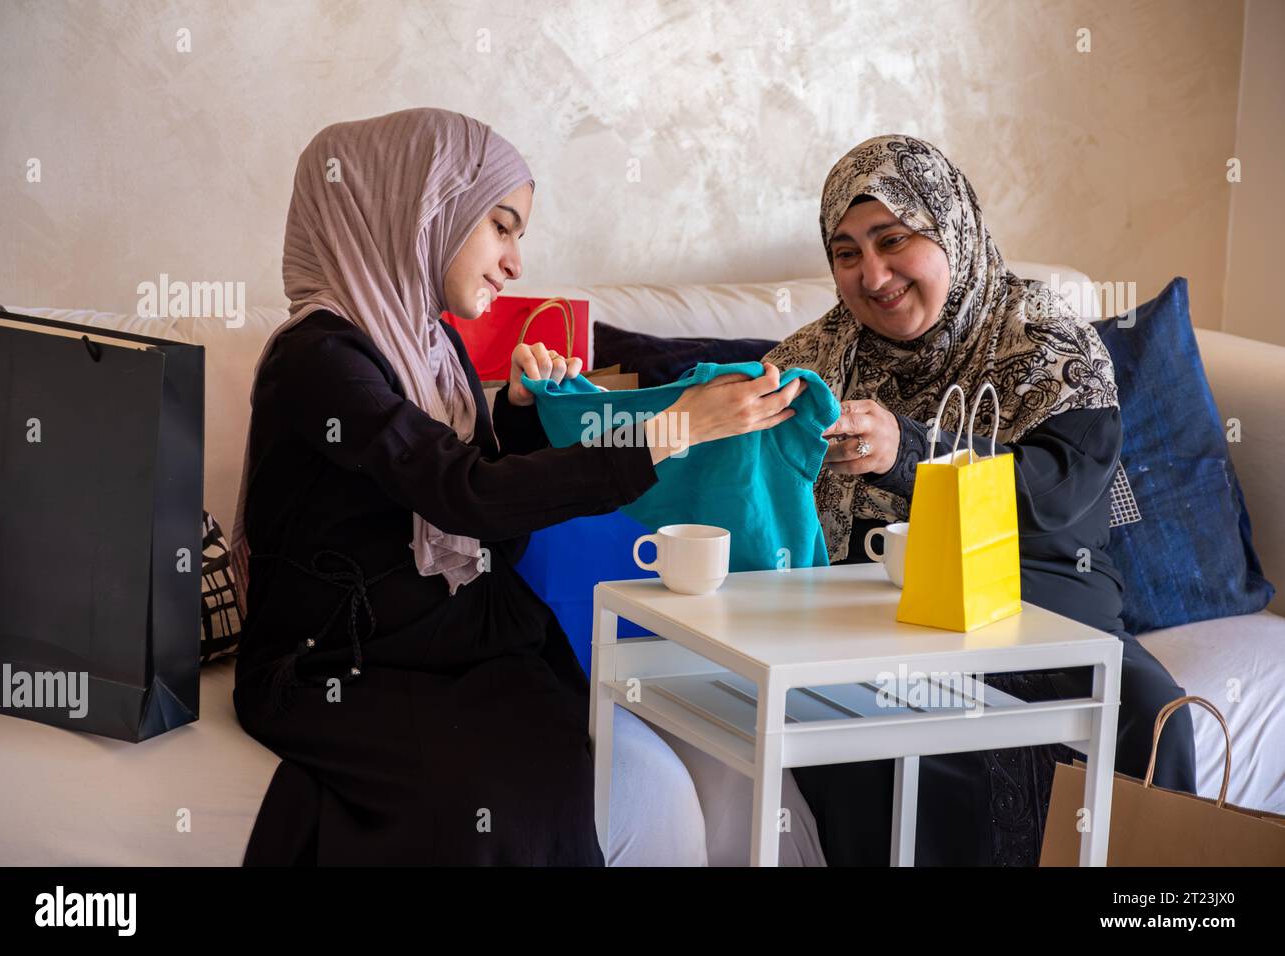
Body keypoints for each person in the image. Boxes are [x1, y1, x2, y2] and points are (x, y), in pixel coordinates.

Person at [228, 107, 805, 865]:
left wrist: (522, 414)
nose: (514, 262)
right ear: (422, 209)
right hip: (340, 664)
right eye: (501, 227)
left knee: (584, 768)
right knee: (505, 807)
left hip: (452, 645)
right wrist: (674, 430)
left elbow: (490, 514)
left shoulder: (429, 351)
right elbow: (460, 492)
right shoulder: (317, 361)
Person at [763, 134, 1198, 866]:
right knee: (880, 749)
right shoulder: (812, 364)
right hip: (876, 625)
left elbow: (1058, 491)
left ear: (952, 227)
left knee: (1155, 719)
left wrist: (910, 452)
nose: (873, 274)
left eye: (893, 239)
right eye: (846, 253)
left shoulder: (1044, 343)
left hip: (1042, 611)